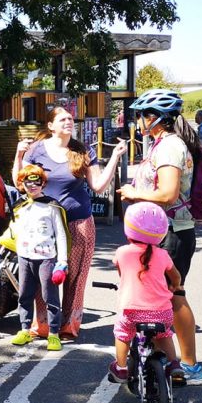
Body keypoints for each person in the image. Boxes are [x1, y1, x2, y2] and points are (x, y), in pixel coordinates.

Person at [13, 106, 125, 340]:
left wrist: (115, 157)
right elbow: (19, 182)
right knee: (44, 275)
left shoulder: (82, 150)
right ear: (51, 125)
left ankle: (68, 326)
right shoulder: (36, 150)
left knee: (75, 276)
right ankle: (43, 325)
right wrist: (19, 156)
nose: (68, 121)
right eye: (62, 119)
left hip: (78, 221)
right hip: (43, 223)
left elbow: (98, 186)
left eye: (70, 118)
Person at [118, 88, 202, 385]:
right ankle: (165, 362)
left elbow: (167, 194)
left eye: (141, 116)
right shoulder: (161, 144)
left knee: (173, 297)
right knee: (163, 299)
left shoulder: (169, 147)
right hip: (162, 232)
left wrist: (134, 193)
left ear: (154, 118)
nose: (138, 122)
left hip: (172, 233)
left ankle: (190, 367)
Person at [107, 202, 181, 383]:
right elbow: (176, 276)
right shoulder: (163, 254)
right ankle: (174, 364)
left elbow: (122, 272)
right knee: (164, 334)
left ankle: (121, 367)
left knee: (122, 333)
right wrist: (175, 287)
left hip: (132, 311)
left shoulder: (122, 252)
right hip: (162, 311)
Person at [8, 165, 70, 352]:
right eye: (28, 182)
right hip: (24, 257)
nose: (32, 186)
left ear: (43, 183)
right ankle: (25, 328)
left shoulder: (52, 206)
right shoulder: (19, 205)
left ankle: (53, 333)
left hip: (47, 258)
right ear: (22, 183)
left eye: (37, 182)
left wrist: (63, 261)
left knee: (49, 296)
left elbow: (61, 234)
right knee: (24, 294)